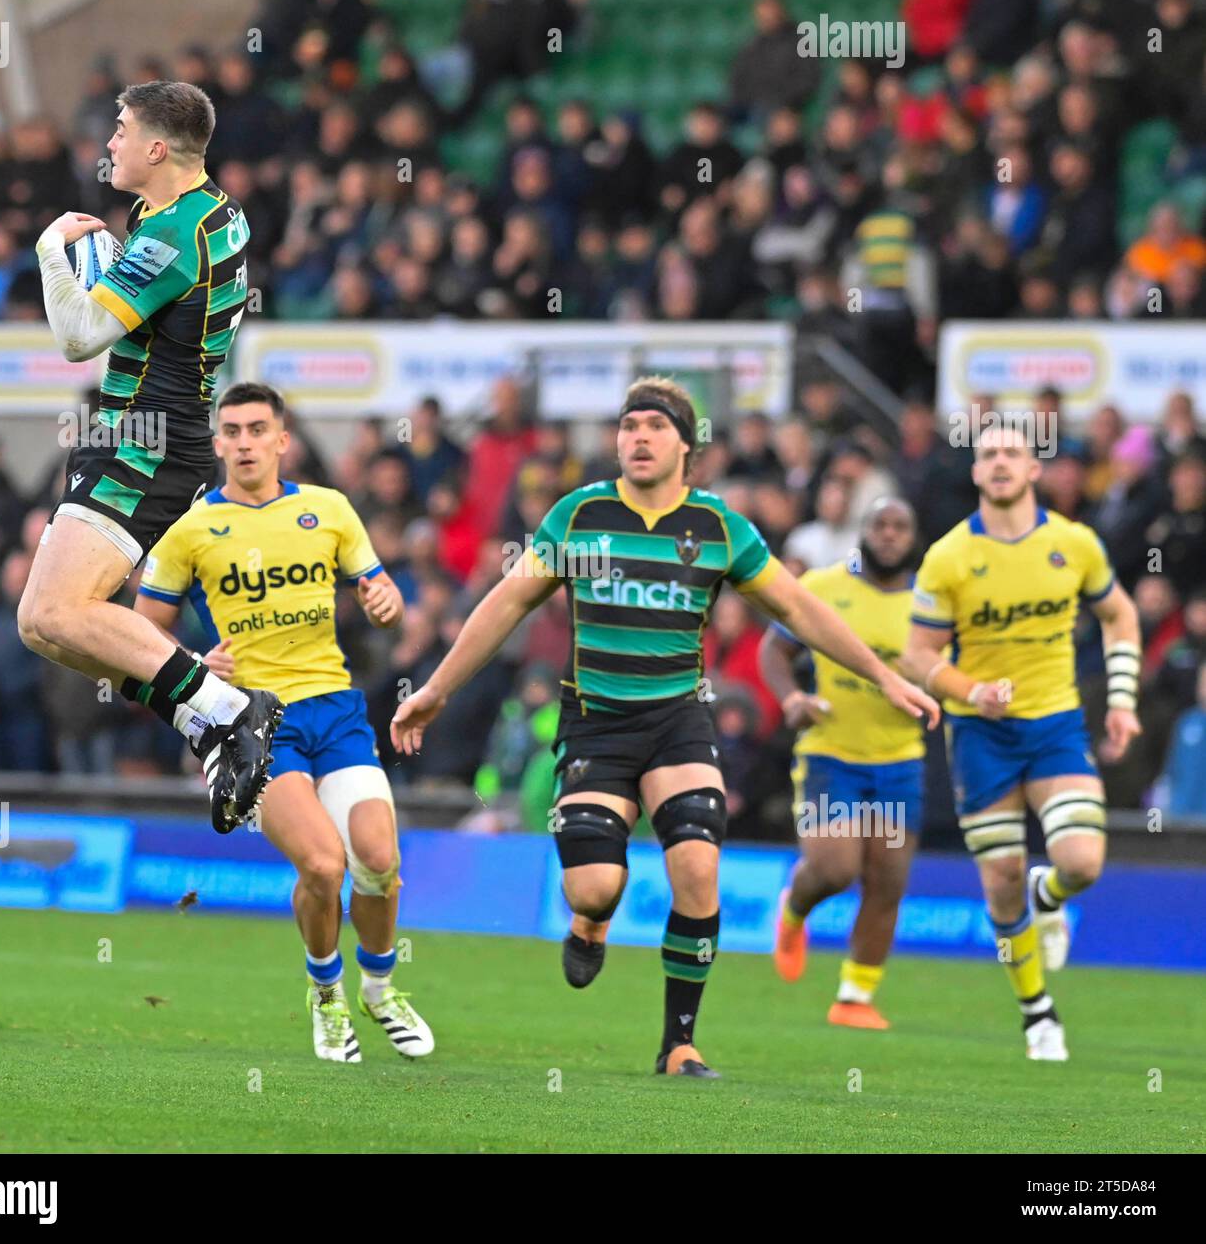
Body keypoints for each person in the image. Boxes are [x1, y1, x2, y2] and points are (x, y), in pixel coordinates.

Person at [391, 377, 939, 1078]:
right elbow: (506, 603)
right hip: (596, 725)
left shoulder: (717, 528)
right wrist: (436, 687)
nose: (638, 437)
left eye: (654, 425)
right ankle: (591, 923)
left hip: (678, 720)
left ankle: (679, 1042)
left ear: (686, 444)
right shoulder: (580, 516)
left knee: (697, 870)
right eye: (628, 426)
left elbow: (800, 611)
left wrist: (884, 675)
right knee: (594, 887)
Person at [135, 382, 432, 1064]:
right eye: (231, 431)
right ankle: (327, 998)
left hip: (335, 706)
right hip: (255, 720)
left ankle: (380, 991)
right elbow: (140, 632)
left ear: (281, 440)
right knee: (325, 866)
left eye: (255, 429)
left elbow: (378, 590)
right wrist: (192, 662)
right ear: (218, 445)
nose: (243, 442)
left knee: (380, 862)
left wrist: (386, 601)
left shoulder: (328, 509)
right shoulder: (190, 532)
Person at [24, 79, 281, 832]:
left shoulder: (172, 233)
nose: (110, 144)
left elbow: (77, 338)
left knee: (56, 609)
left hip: (146, 439)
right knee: (40, 627)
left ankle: (227, 710)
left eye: (121, 130)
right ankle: (204, 717)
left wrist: (52, 253)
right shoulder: (201, 212)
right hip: (138, 433)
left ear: (157, 148)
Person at [901, 423, 1142, 1062]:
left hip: (1055, 723)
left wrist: (1121, 699)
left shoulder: (1074, 543)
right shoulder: (948, 557)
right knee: (1001, 877)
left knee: (1082, 863)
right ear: (976, 474)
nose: (1000, 462)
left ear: (1034, 470)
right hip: (980, 734)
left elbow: (1120, 615)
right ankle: (1038, 1013)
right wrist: (970, 689)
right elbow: (916, 654)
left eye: (1013, 452)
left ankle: (1050, 896)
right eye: (988, 455)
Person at [760, 499, 925, 1031]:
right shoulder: (826, 586)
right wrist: (792, 700)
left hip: (900, 758)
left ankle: (854, 997)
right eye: (880, 524)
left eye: (901, 526)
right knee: (835, 869)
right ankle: (794, 910)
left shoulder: (931, 602)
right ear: (862, 532)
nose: (890, 534)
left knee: (889, 879)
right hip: (832, 751)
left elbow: (950, 667)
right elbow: (773, 651)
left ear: (913, 536)